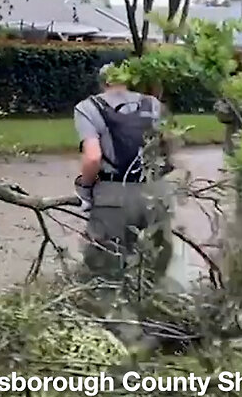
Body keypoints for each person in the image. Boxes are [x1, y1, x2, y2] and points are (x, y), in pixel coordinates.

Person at [72, 63, 175, 286]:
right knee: (153, 272)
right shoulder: (154, 105)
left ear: (102, 83)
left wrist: (85, 188)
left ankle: (110, 317)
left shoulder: (88, 107)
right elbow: (167, 150)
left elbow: (92, 158)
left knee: (105, 274)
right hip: (154, 193)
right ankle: (153, 315)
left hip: (112, 196)